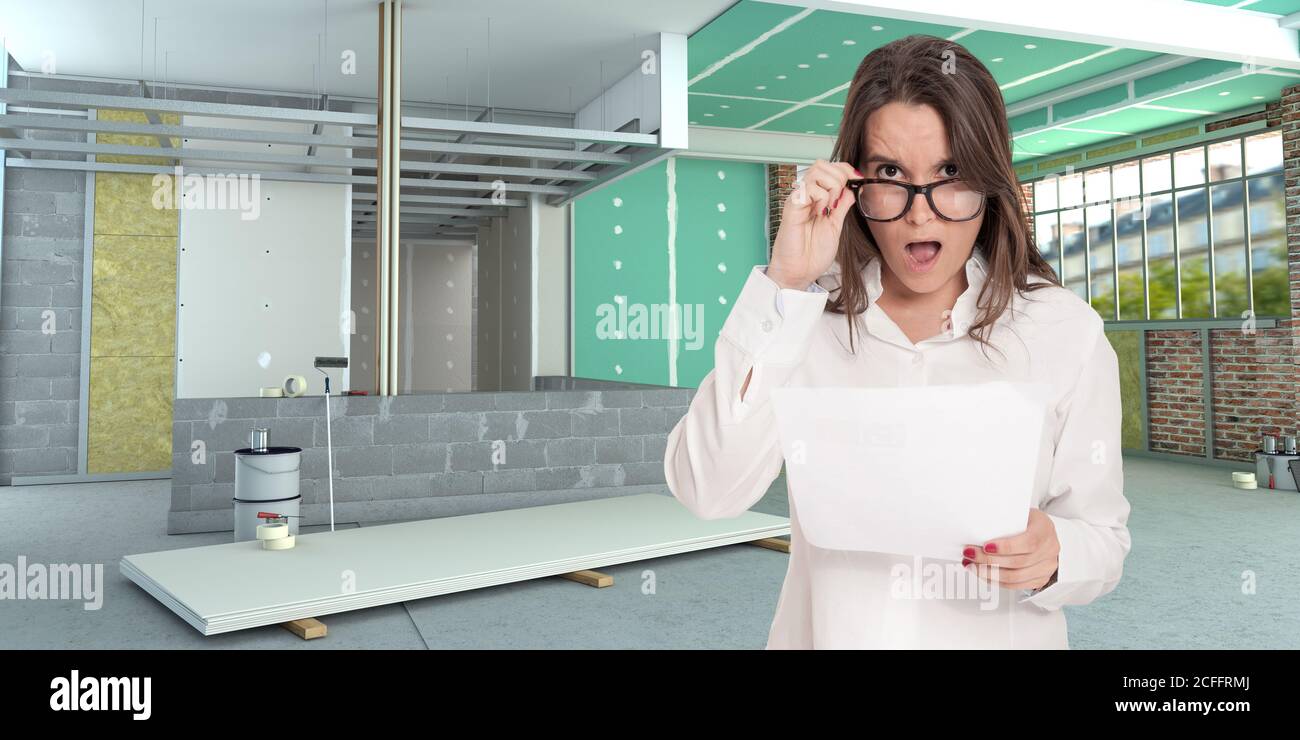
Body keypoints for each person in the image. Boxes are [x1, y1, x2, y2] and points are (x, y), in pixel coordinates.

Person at [663, 34, 1131, 649]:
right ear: (855, 184)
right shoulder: (804, 319)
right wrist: (785, 285)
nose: (921, 212)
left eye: (950, 173)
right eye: (891, 174)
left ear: (990, 185)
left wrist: (1056, 552)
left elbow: (1103, 539)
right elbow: (707, 491)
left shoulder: (1065, 331)